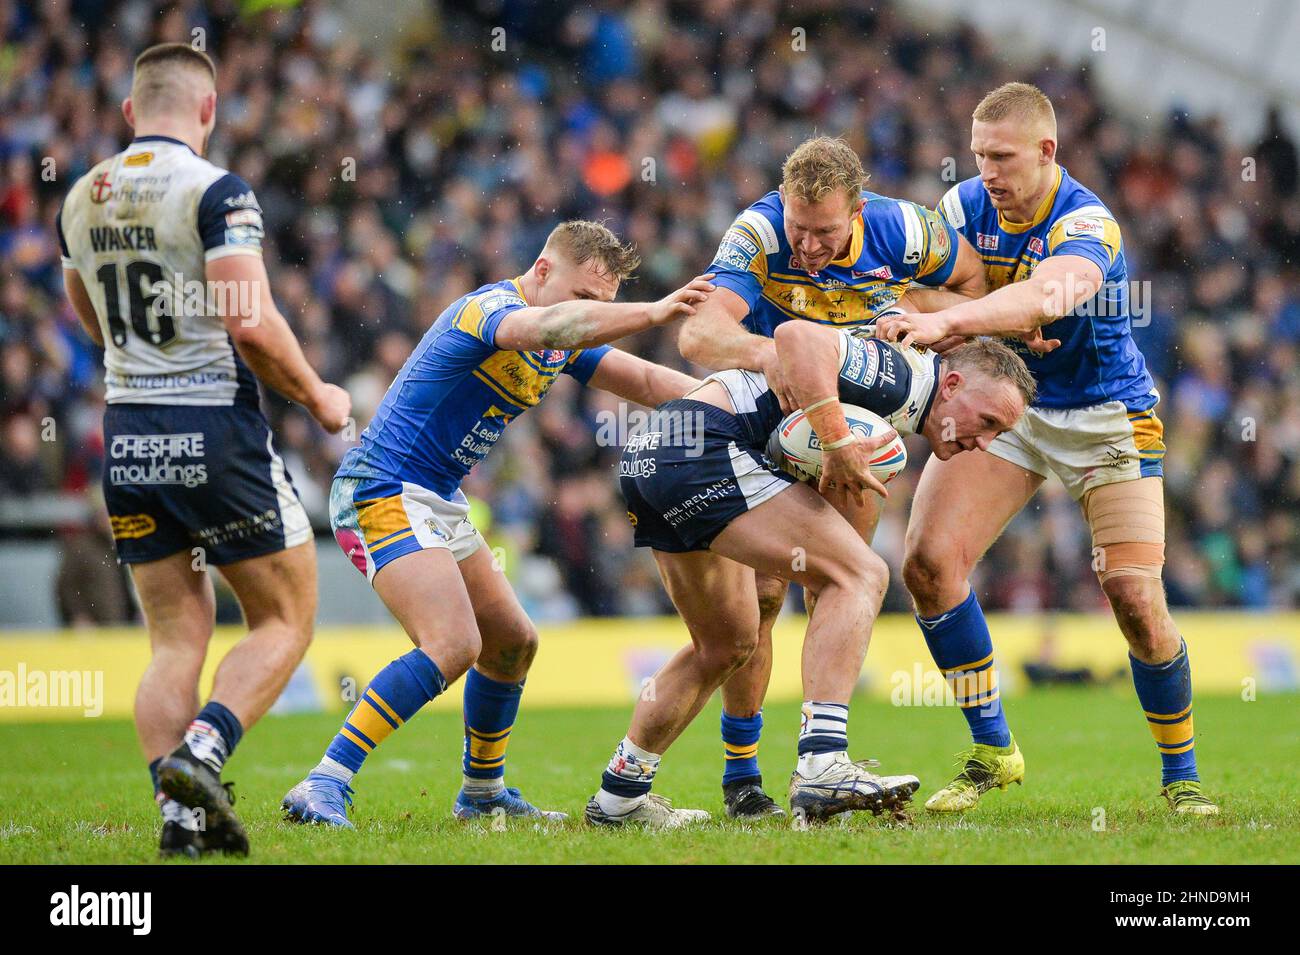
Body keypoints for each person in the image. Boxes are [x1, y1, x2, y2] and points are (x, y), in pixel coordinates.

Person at [281, 221, 711, 827]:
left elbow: (641, 379)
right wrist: (655, 312)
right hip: (380, 490)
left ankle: (481, 797)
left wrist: (730, 404)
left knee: (513, 643)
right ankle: (324, 781)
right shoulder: (490, 308)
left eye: (602, 305)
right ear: (541, 270)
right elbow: (549, 328)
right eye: (585, 297)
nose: (592, 314)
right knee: (455, 644)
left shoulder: (562, 335)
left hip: (435, 497)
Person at [876, 82, 1219, 816]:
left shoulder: (1089, 222)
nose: (987, 173)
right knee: (929, 564)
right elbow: (917, 296)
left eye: (1002, 157)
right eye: (978, 156)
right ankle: (994, 748)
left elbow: (1043, 297)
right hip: (1014, 407)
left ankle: (1180, 774)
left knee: (1133, 596)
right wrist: (973, 318)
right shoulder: (963, 208)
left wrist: (972, 318)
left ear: (1047, 153)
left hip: (1106, 414)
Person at [57, 43, 352, 857]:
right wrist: (319, 395)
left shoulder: (80, 197)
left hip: (128, 434)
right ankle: (203, 751)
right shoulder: (216, 191)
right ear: (209, 111)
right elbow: (248, 319)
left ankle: (180, 815)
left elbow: (87, 313)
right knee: (285, 617)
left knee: (176, 639)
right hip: (211, 426)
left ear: (128, 113)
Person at [586, 322, 1034, 829]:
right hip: (706, 449)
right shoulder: (907, 380)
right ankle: (822, 761)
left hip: (654, 455)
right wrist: (837, 440)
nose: (985, 441)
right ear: (952, 386)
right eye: (989, 420)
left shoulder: (901, 379)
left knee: (726, 644)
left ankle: (619, 798)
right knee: (860, 576)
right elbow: (797, 336)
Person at [675, 135, 989, 817]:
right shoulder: (758, 232)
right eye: (799, 229)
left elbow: (973, 282)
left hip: (853, 433)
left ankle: (821, 763)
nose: (808, 246)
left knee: (841, 582)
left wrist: (927, 321)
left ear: (858, 210)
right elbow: (698, 336)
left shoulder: (905, 231)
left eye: (823, 232)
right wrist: (782, 354)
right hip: (768, 421)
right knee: (760, 598)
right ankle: (741, 777)